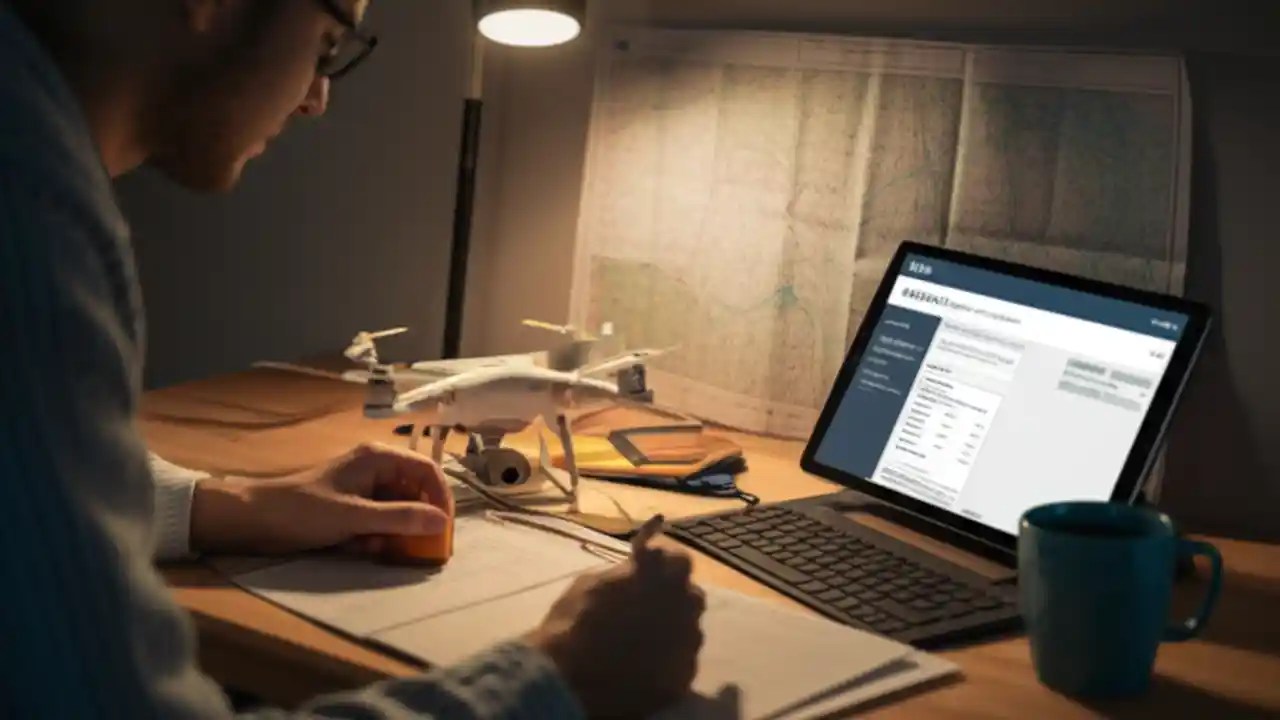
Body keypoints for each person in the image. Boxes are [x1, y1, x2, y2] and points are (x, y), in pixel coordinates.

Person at [0, 0, 707, 717]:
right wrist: (560, 678)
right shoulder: (31, 229)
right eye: (328, 43)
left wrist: (232, 506)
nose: (316, 98)